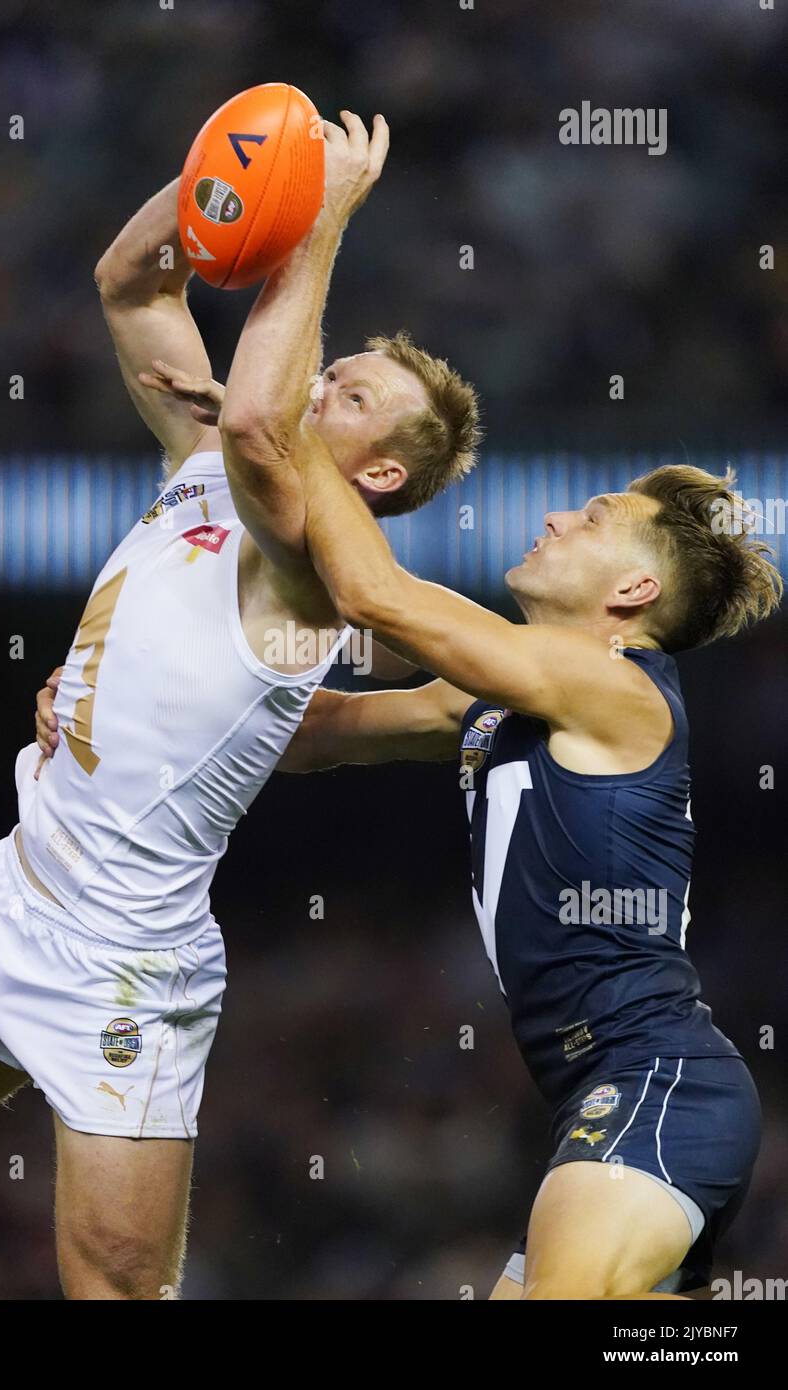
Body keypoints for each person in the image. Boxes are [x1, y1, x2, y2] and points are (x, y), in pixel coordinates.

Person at [0, 111, 480, 1300]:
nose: (317, 384)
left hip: (125, 966)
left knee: (115, 1293)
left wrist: (320, 214)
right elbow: (131, 281)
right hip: (12, 895)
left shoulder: (304, 550)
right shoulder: (200, 467)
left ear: (379, 476)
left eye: (347, 396)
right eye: (330, 369)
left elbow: (252, 418)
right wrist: (229, 174)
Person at [128, 180, 783, 1297]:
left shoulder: (615, 686)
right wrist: (117, 692)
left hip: (654, 1085)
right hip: (608, 1094)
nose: (551, 517)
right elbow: (311, 733)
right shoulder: (500, 699)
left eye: (588, 521)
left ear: (631, 590)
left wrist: (277, 428)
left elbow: (376, 592)